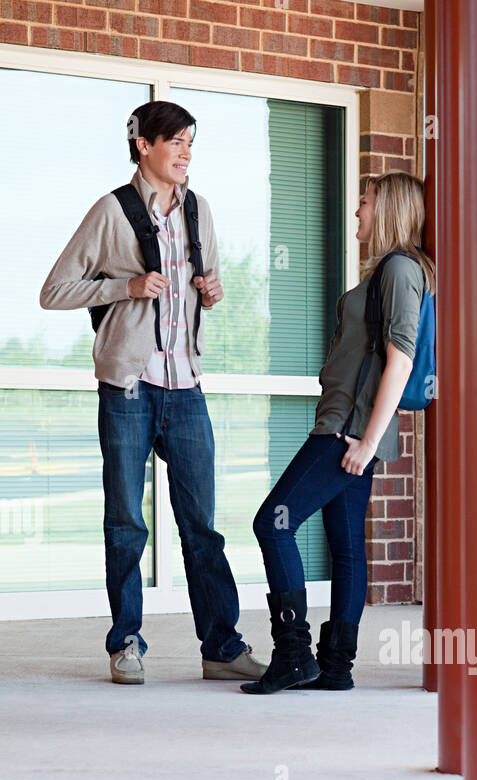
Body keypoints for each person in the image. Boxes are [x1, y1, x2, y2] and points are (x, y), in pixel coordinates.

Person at [39, 100, 267, 688]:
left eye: (192, 143)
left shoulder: (200, 210)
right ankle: (126, 645)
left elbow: (206, 284)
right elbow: (56, 290)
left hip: (186, 384)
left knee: (202, 527)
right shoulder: (112, 212)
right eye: (178, 142)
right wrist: (129, 285)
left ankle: (220, 647)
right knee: (125, 522)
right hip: (130, 386)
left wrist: (212, 290)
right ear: (145, 146)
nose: (187, 153)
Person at [242, 171, 435, 695]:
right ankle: (335, 667)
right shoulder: (387, 272)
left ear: (389, 208)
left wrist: (368, 441)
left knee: (272, 523)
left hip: (347, 432)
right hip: (349, 428)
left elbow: (401, 355)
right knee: (347, 546)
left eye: (365, 202)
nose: (357, 213)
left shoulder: (399, 269)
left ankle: (293, 654)